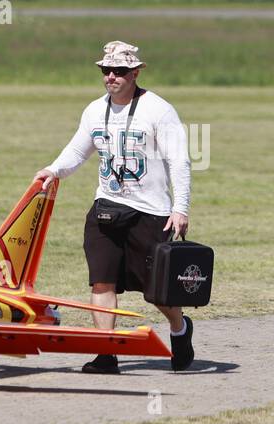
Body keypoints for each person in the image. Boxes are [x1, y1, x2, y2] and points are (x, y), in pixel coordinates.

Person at [34, 41, 194, 373]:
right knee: (101, 282)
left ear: (135, 72)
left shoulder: (159, 110)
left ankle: (180, 329)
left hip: (151, 212)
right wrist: (52, 170)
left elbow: (179, 161)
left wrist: (180, 208)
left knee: (158, 292)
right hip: (107, 206)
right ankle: (106, 354)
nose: (111, 77)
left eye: (119, 71)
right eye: (105, 71)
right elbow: (77, 151)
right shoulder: (94, 110)